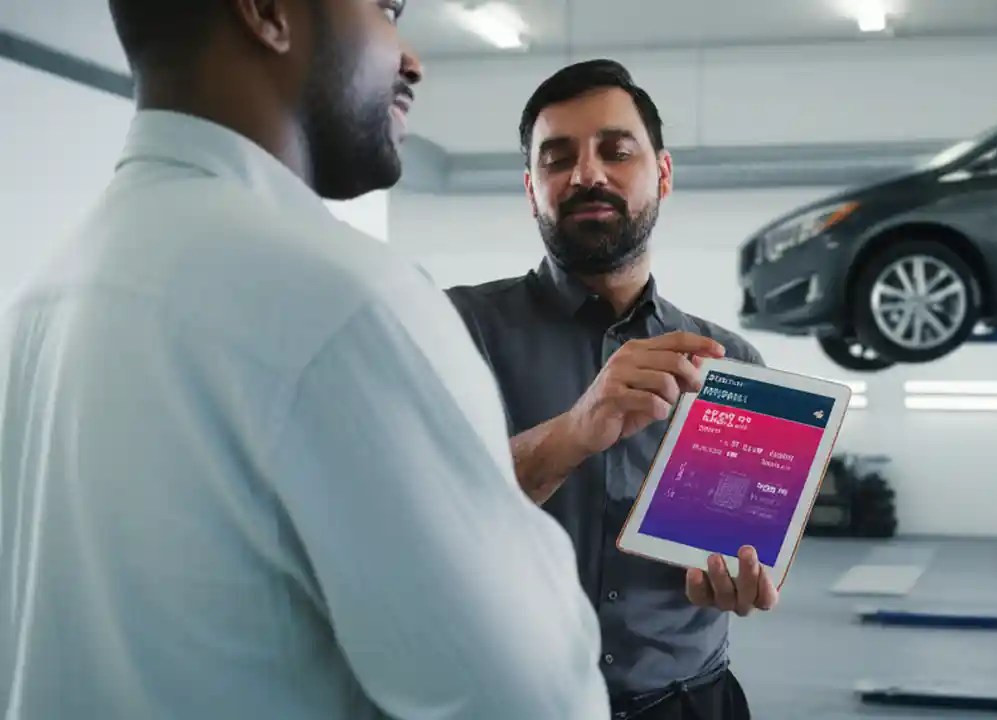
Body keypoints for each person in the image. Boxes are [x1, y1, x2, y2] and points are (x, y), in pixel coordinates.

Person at [0, 1, 609, 718]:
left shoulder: (45, 300)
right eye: (384, 9)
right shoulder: (347, 303)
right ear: (266, 12)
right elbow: (536, 705)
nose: (412, 60)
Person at [447, 59, 776, 720]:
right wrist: (573, 431)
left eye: (617, 151)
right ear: (531, 187)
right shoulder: (451, 329)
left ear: (663, 173)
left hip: (692, 704)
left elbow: (741, 549)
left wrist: (741, 577)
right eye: (556, 158)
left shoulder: (732, 363)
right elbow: (419, 515)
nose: (586, 174)